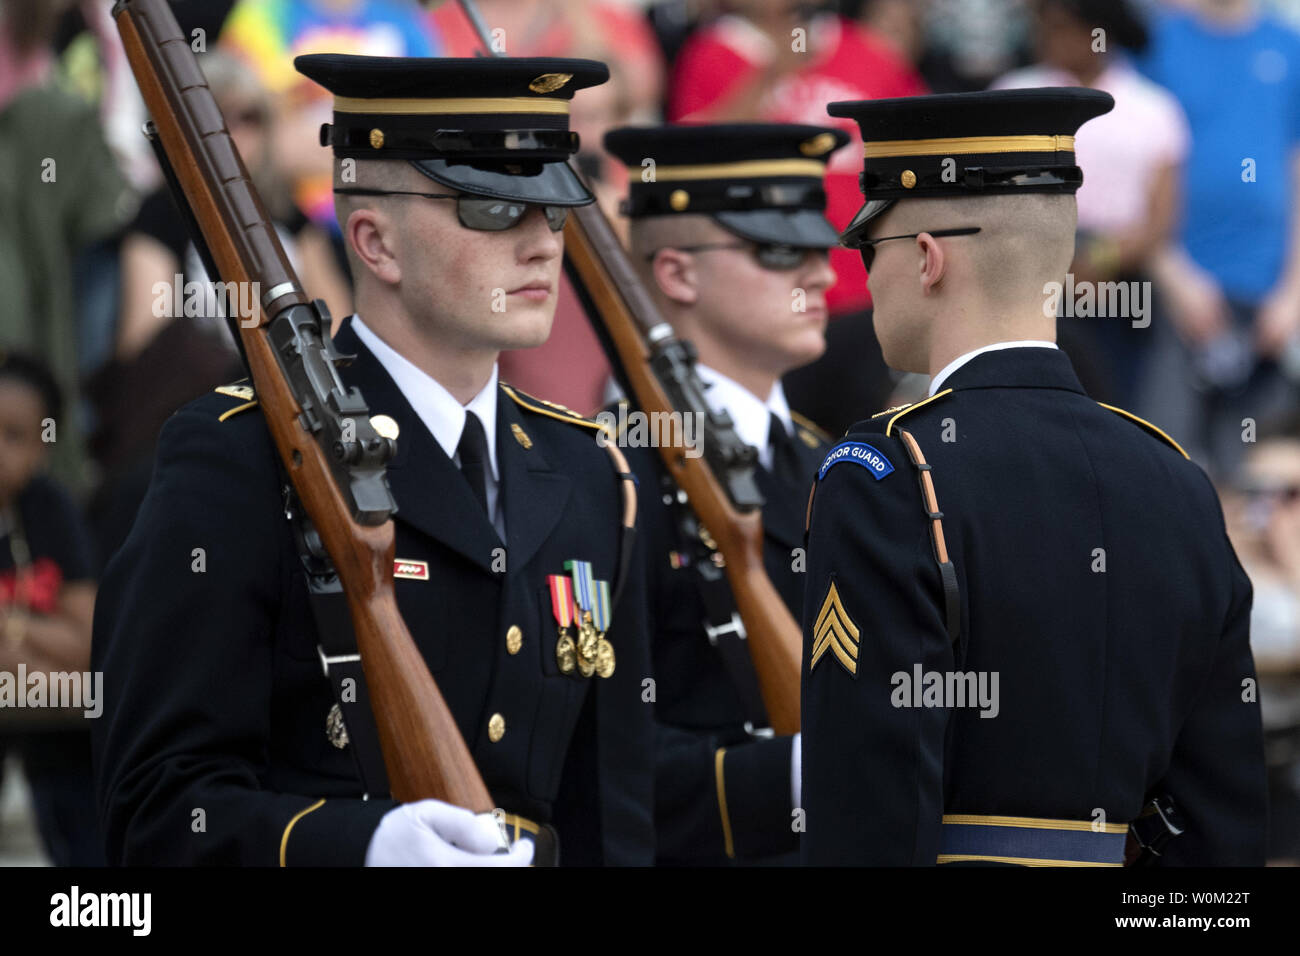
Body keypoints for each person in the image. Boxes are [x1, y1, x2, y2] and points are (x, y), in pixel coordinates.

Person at [91, 54, 653, 866]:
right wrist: (363, 847)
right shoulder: (241, 458)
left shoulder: (588, 472)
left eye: (556, 210)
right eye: (496, 208)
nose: (542, 244)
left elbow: (611, 823)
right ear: (375, 242)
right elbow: (154, 812)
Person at [799, 87, 1267, 865]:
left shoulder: (886, 472)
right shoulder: (1177, 479)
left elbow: (866, 804)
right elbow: (1220, 819)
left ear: (926, 258)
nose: (863, 278)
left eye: (867, 248)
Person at [601, 122, 843, 864]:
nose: (823, 276)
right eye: (779, 252)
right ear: (677, 273)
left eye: (820, 248)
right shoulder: (615, 469)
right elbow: (602, 756)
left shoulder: (830, 459)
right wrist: (798, 778)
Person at [0, 351, 101, 865]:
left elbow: (90, 645)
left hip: (56, 736)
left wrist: (10, 630)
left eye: (14, 436)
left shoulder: (50, 508)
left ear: (43, 447)